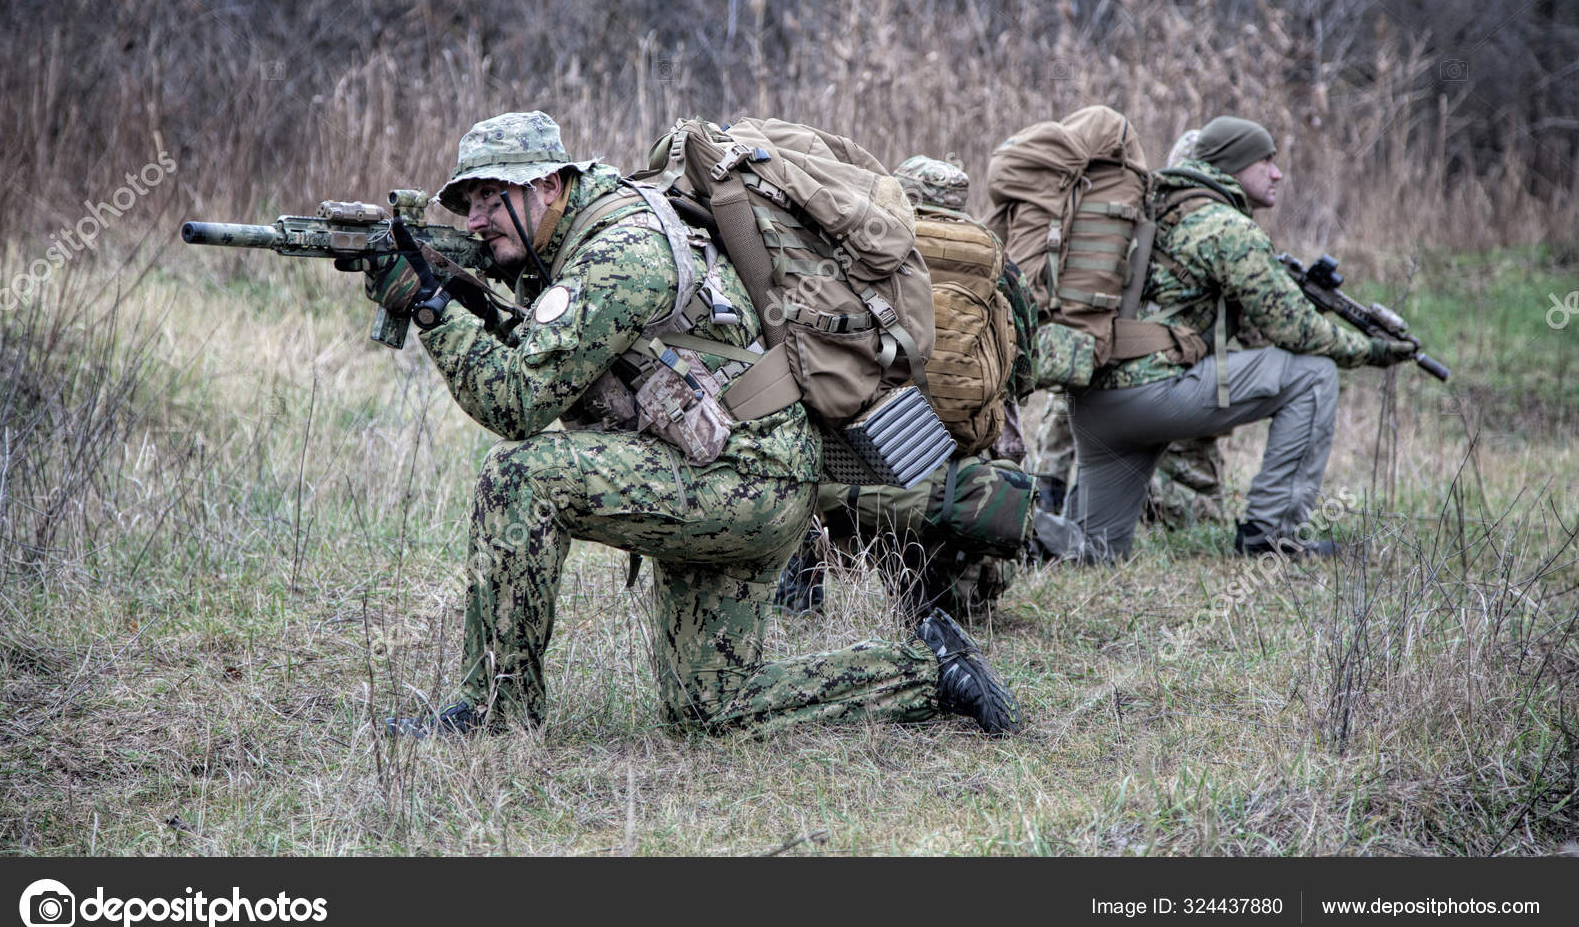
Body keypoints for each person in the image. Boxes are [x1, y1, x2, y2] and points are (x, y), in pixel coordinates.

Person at [340, 111, 1021, 736]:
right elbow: (561, 358)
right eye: (468, 206)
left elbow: (516, 404)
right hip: (752, 471)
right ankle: (935, 672)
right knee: (710, 705)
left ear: (548, 186)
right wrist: (465, 297)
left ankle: (496, 710)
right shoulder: (596, 230)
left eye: (493, 199)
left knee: (522, 479)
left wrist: (430, 307)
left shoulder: (618, 254)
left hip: (741, 479)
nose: (477, 220)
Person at [1055, 116, 1416, 561]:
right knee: (1313, 374)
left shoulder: (1156, 207)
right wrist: (1373, 350)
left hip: (1096, 404)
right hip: (1151, 398)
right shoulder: (1226, 226)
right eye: (1265, 160)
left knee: (1091, 549)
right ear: (1233, 165)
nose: (1277, 173)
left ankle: (1018, 536)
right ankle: (1274, 533)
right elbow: (1296, 331)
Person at [778, 155, 1043, 624]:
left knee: (802, 442)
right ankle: (957, 594)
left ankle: (799, 596)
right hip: (953, 458)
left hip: (856, 443)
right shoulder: (996, 263)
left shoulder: (854, 247)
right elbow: (1025, 379)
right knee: (995, 450)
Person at [1033, 127, 1228, 527]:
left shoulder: (1161, 213)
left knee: (1074, 395)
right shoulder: (1162, 218)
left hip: (1151, 363)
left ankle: (1067, 498)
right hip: (1147, 358)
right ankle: (1062, 499)